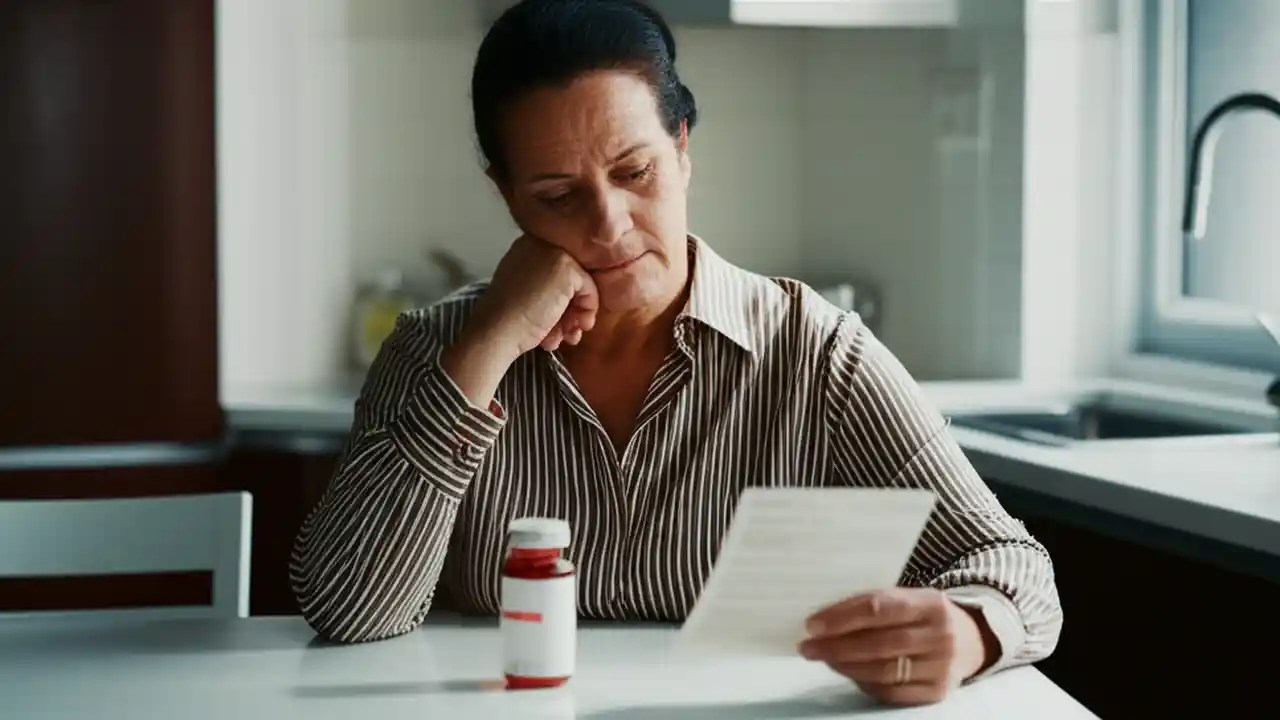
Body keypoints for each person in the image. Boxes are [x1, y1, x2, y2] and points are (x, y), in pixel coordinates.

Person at [290, 0, 1062, 706]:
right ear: (507, 194)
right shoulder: (434, 350)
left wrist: (968, 632)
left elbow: (1013, 565)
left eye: (635, 172)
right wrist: (489, 341)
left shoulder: (816, 355)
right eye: (558, 197)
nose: (609, 225)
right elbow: (350, 612)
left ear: (683, 148)